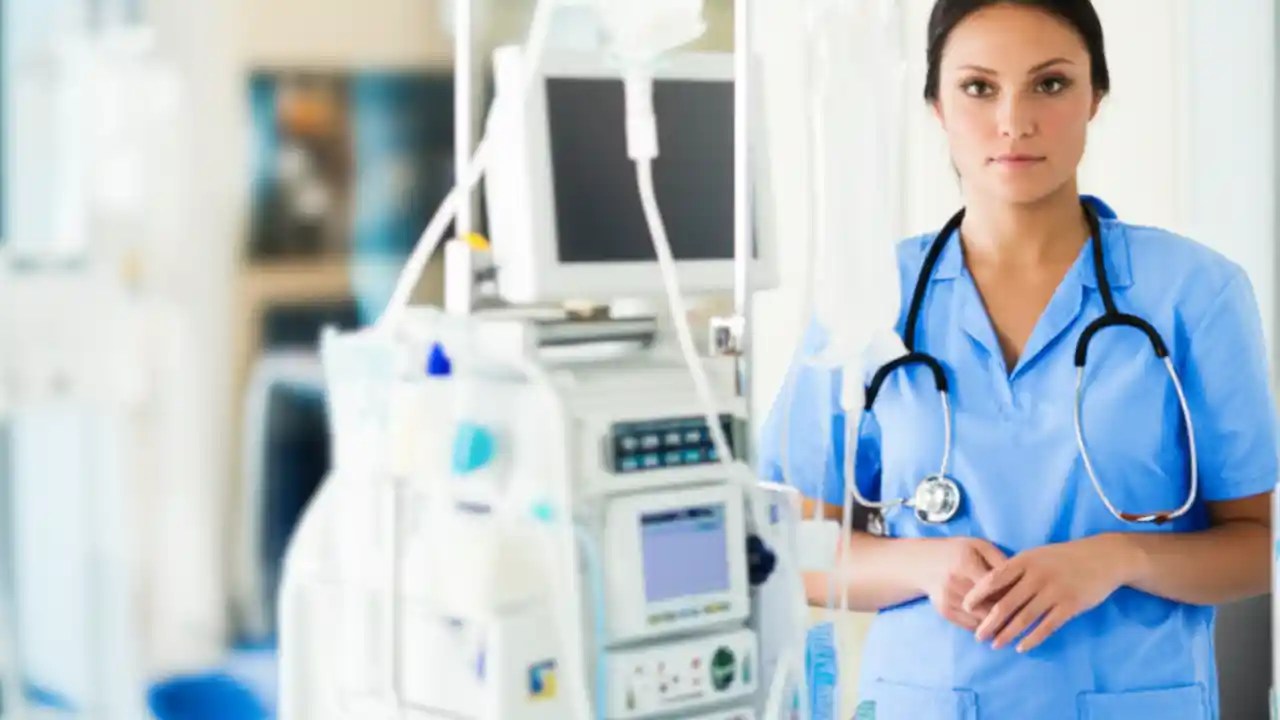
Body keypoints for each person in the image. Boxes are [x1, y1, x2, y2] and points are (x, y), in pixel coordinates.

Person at [758, 1, 1277, 718]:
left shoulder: (1195, 292)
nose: (1014, 120)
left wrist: (1119, 559)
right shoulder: (867, 296)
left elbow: (1258, 543)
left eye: (1051, 84)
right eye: (978, 87)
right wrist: (921, 562)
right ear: (936, 104)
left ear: (1096, 95)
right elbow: (788, 549)